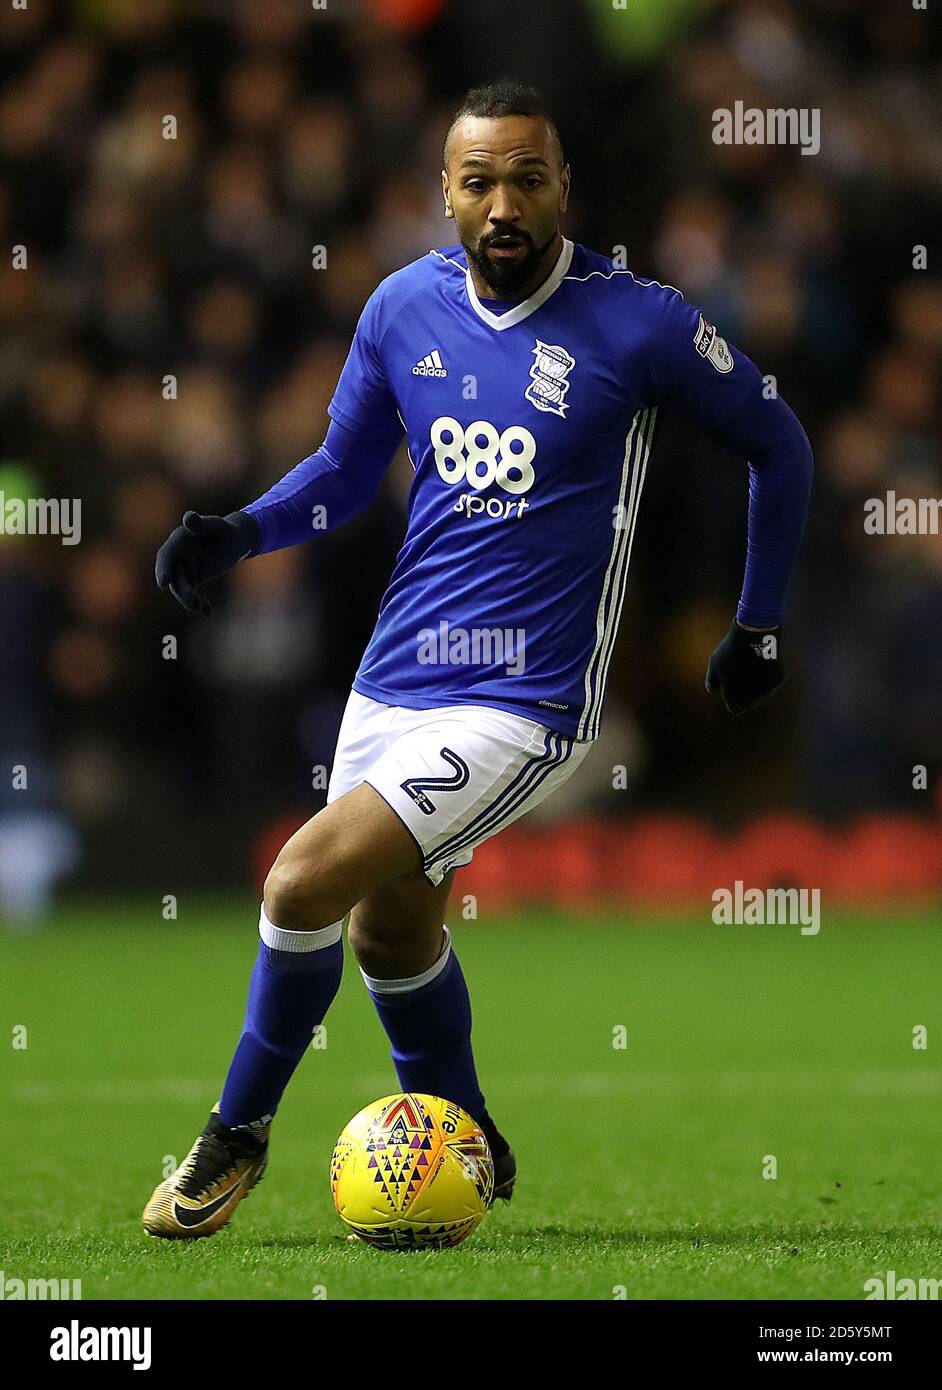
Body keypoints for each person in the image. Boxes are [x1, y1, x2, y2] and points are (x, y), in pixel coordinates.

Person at [143, 79, 813, 1239]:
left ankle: (232, 1135)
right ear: (445, 193)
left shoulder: (640, 320)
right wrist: (244, 528)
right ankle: (462, 1128)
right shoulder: (403, 308)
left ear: (564, 189)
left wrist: (757, 621)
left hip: (527, 695)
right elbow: (347, 473)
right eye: (478, 180)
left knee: (301, 882)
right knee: (389, 929)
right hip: (393, 677)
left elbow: (779, 439)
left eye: (526, 178)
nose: (502, 203)